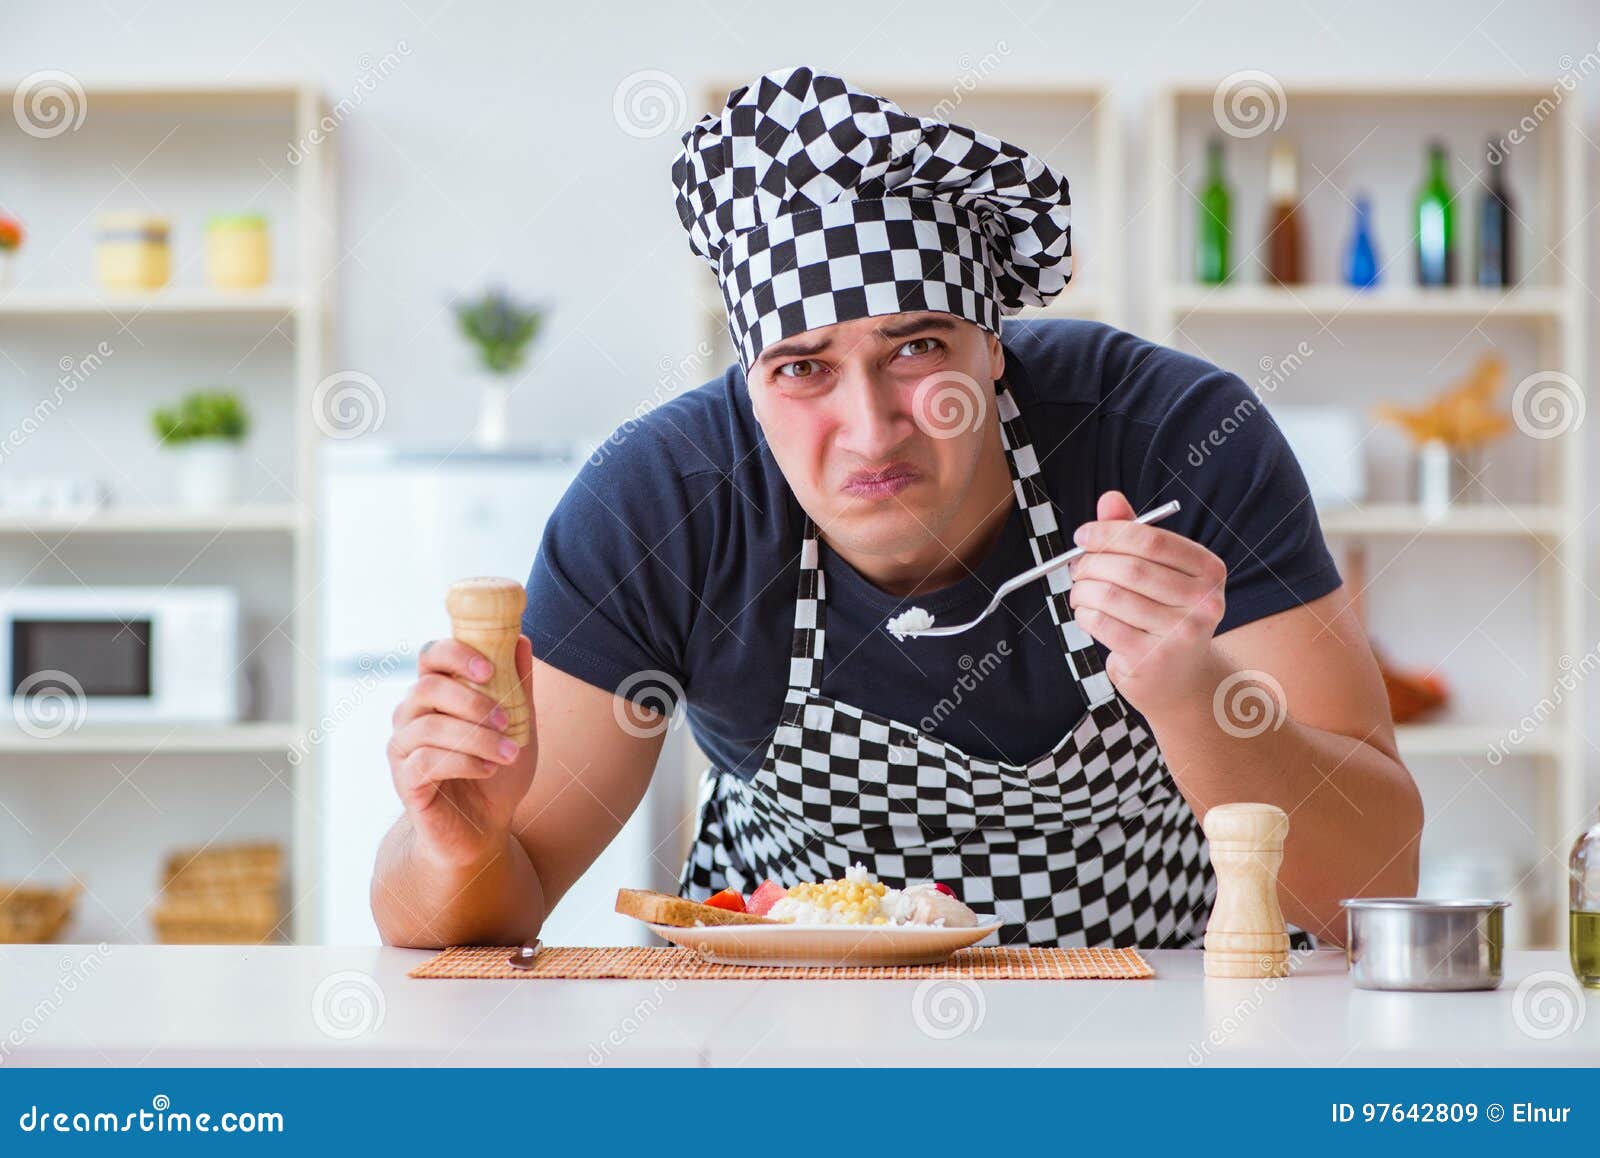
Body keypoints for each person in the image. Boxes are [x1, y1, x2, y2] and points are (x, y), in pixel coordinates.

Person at [374, 66, 1421, 950]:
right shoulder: (667, 502)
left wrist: (1193, 690)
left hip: (1170, 1028)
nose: (871, 430)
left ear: (992, 347)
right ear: (747, 382)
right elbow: (495, 912)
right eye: (801, 368)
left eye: (917, 348)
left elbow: (1376, 884)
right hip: (785, 1047)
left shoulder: (1168, 439)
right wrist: (452, 848)